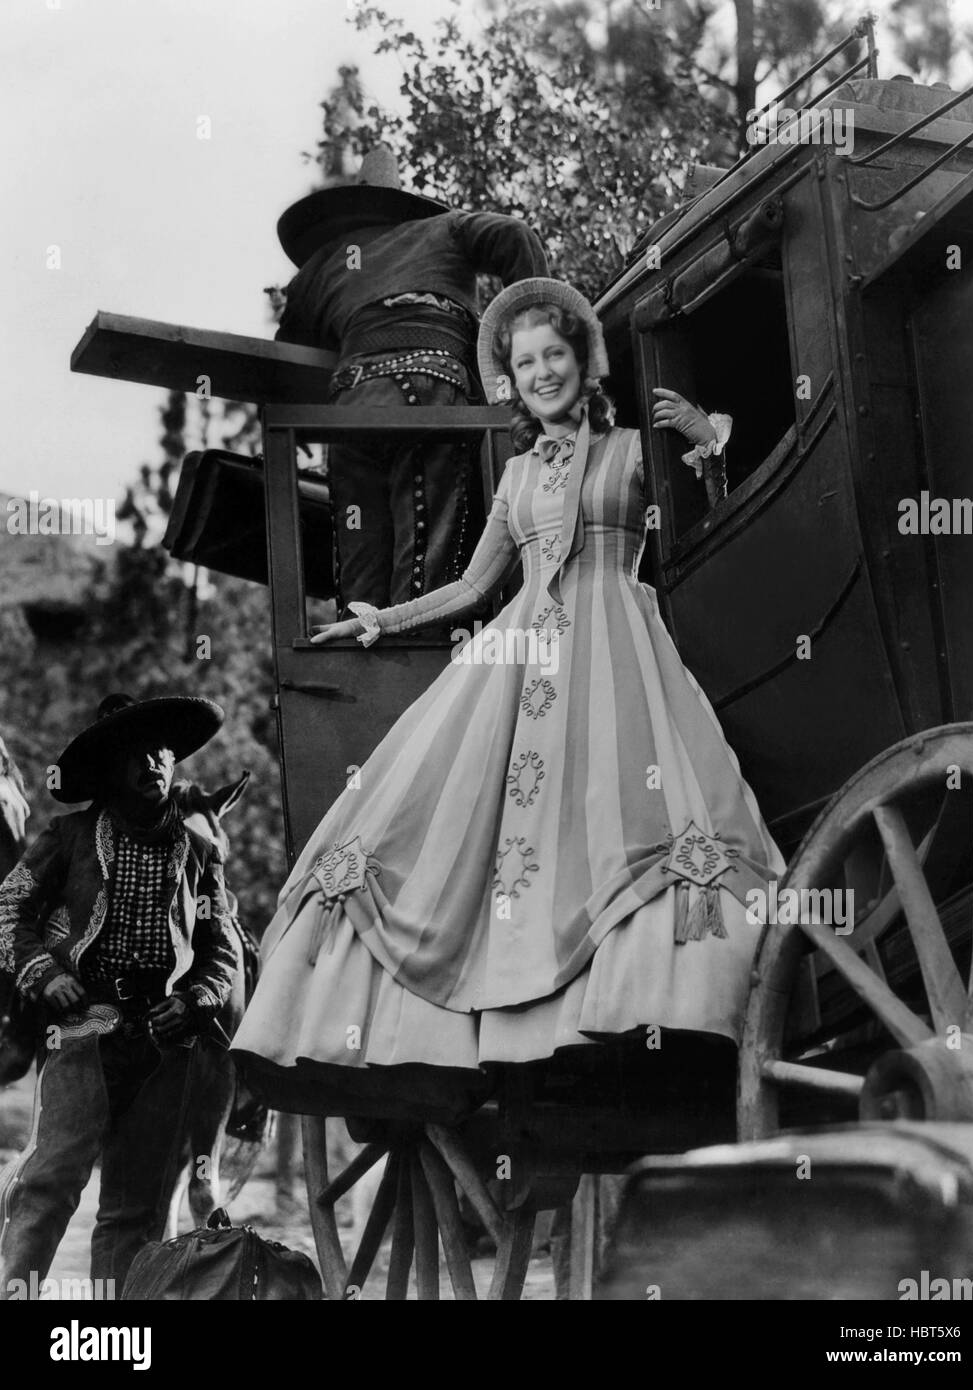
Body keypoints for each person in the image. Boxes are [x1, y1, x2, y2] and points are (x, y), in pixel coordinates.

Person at [231, 278, 784, 1111]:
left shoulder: (634, 449)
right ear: (511, 381)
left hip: (617, 640)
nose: (541, 373)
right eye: (524, 363)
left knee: (623, 811)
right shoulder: (519, 474)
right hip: (518, 654)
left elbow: (709, 530)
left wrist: (709, 449)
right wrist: (378, 620)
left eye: (554, 355)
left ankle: (638, 1013)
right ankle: (471, 1036)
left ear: (584, 361)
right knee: (449, 824)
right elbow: (472, 587)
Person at [0, 694, 239, 1298]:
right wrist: (42, 972)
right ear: (109, 771)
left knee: (136, 1209)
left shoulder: (200, 855)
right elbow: (8, 909)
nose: (150, 763)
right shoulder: (69, 838)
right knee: (48, 1186)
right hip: (82, 1034)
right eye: (132, 754)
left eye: (159, 750)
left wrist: (195, 1000)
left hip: (163, 1049)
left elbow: (222, 949)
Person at [274, 145, 548, 614]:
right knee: (424, 555)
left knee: (361, 557)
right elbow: (515, 236)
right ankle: (421, 652)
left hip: (353, 405)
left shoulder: (324, 263)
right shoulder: (444, 227)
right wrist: (531, 343)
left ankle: (360, 650)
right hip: (430, 386)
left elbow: (289, 357)